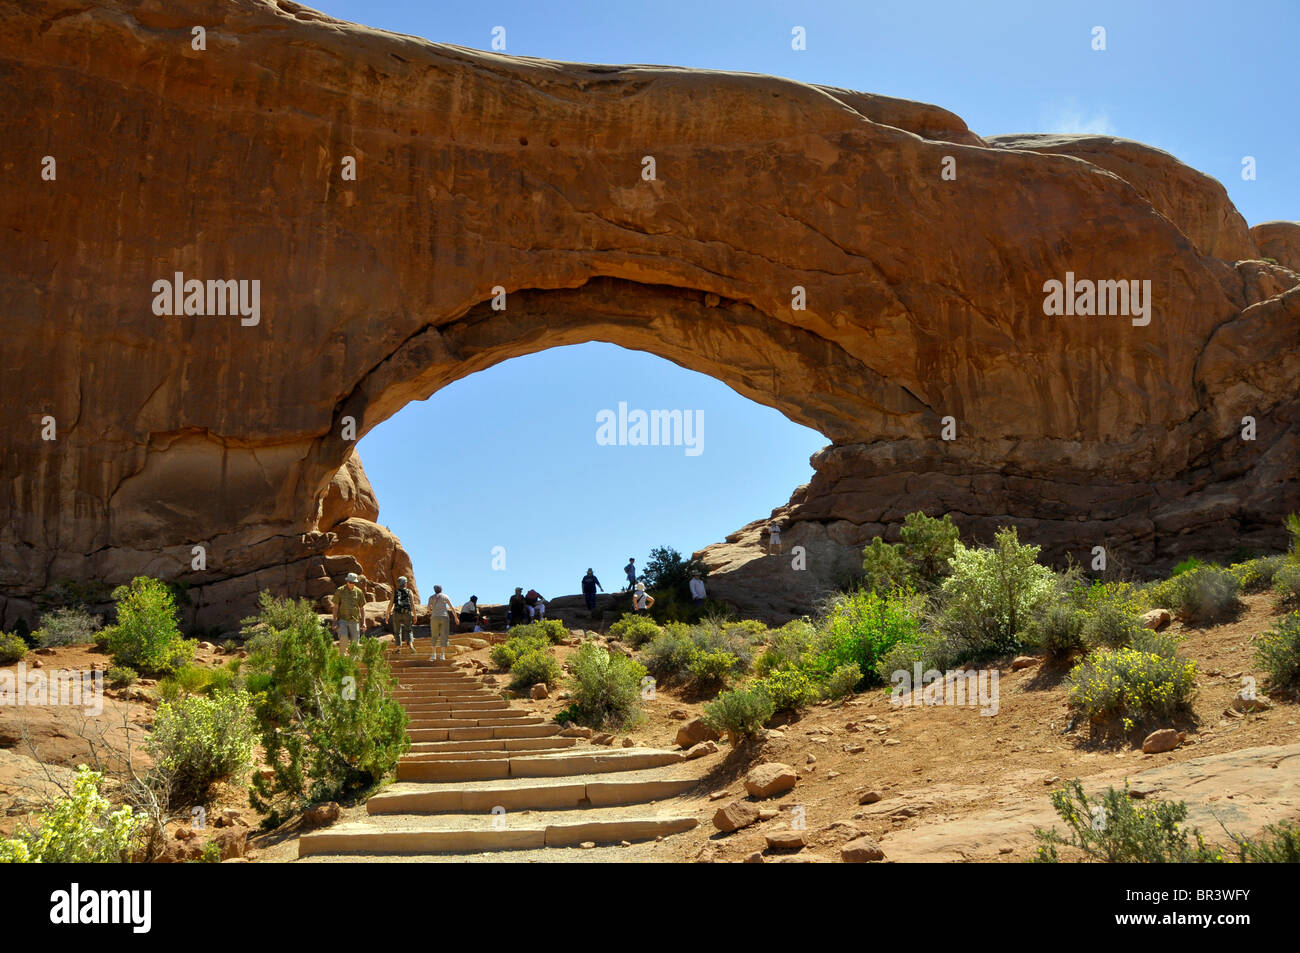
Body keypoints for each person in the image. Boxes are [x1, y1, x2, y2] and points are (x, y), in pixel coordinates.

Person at [332, 572, 366, 650]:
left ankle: (353, 661)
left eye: (353, 582)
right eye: (350, 582)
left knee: (355, 643)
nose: (351, 584)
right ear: (347, 581)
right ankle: (343, 658)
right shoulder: (340, 590)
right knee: (343, 638)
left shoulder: (359, 592)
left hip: (354, 620)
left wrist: (364, 622)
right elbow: (336, 606)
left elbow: (362, 608)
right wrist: (334, 620)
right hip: (342, 620)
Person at [426, 585, 458, 661]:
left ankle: (433, 654)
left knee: (434, 635)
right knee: (444, 635)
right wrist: (456, 618)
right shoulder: (445, 596)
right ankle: (442, 655)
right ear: (441, 589)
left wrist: (432, 611)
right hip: (444, 617)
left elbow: (428, 607)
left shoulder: (431, 597)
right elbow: (452, 607)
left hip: (434, 617)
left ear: (434, 590)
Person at [387, 575, 415, 652]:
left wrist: (387, 614)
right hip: (407, 613)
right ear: (405, 583)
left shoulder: (395, 592)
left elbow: (390, 604)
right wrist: (415, 615)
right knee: (408, 630)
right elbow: (412, 604)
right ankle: (410, 645)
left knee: (397, 631)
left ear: (398, 583)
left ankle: (398, 647)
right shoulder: (409, 592)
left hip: (396, 613)